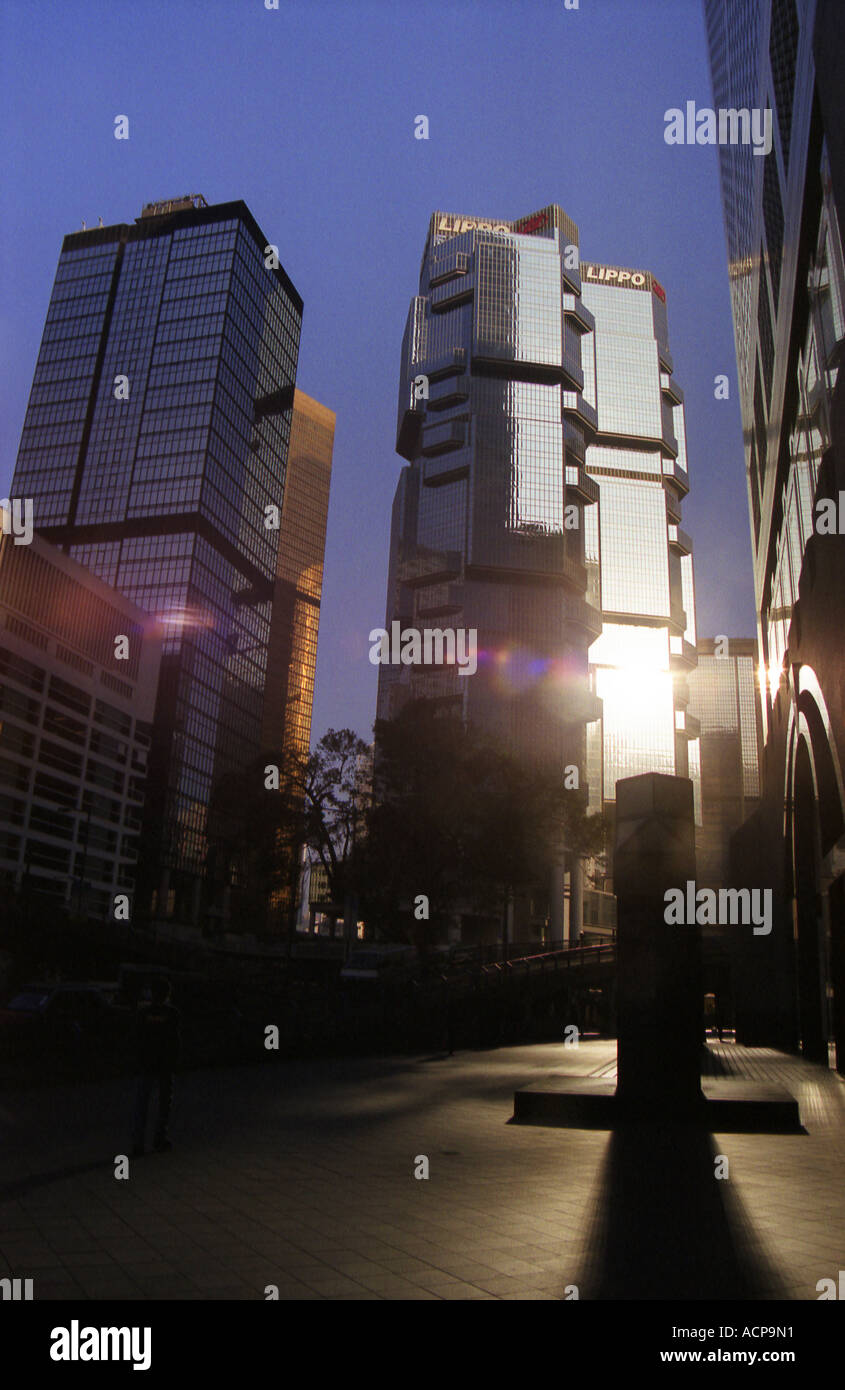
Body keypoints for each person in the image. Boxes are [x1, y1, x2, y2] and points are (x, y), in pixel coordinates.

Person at [131, 976, 181, 1156]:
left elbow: (137, 1039)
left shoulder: (143, 1014)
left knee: (141, 1105)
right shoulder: (173, 1014)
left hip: (146, 1064)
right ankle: (159, 1138)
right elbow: (175, 1041)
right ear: (167, 994)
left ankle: (138, 1144)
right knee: (163, 1104)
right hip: (165, 1065)